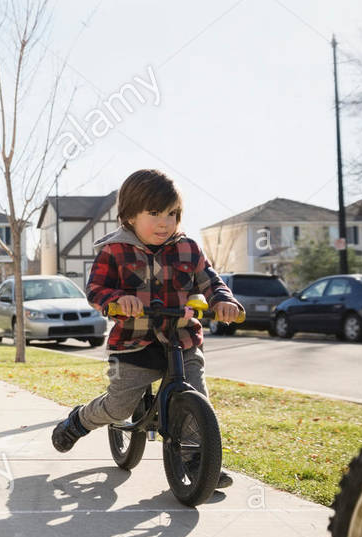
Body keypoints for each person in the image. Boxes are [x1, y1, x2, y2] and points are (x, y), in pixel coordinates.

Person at [49, 169, 241, 491]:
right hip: (133, 343)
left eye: (172, 214)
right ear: (129, 216)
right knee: (119, 407)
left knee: (196, 396)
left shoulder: (189, 249)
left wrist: (224, 301)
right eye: (154, 213)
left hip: (181, 339)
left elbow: (211, 281)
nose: (165, 222)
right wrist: (117, 299)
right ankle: (79, 421)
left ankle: (197, 462)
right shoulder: (114, 251)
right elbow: (95, 290)